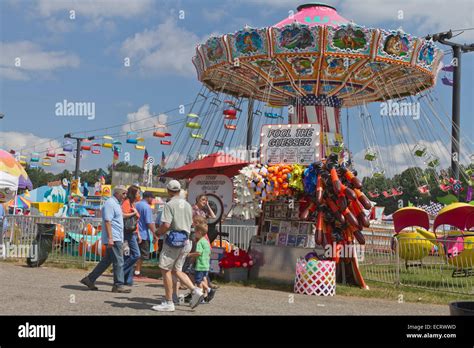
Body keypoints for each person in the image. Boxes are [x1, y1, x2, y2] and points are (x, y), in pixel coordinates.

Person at [152, 180, 204, 312]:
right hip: (186, 241)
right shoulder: (187, 205)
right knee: (177, 270)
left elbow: (166, 225)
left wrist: (157, 233)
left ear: (168, 191)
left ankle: (169, 302)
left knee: (165, 269)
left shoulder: (169, 205)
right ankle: (195, 290)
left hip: (173, 241)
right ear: (179, 190)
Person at [80, 185, 130, 293]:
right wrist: (111, 238)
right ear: (117, 193)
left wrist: (132, 214)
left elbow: (118, 217)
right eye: (124, 193)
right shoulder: (110, 203)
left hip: (116, 237)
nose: (125, 196)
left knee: (107, 261)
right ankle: (118, 285)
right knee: (119, 261)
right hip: (113, 237)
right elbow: (108, 221)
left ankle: (90, 279)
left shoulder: (115, 204)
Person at [187, 223, 216, 303]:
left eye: (195, 232)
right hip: (206, 265)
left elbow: (198, 253)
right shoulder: (206, 241)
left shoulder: (199, 242)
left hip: (200, 265)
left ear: (199, 232)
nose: (194, 234)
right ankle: (209, 290)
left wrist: (189, 254)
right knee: (201, 280)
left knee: (198, 281)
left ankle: (201, 297)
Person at [121, 185, 141, 286]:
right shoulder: (127, 203)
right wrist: (134, 214)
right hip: (127, 232)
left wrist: (138, 233)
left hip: (131, 232)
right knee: (136, 254)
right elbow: (123, 214)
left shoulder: (132, 203)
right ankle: (120, 273)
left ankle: (127, 280)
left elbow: (135, 221)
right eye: (138, 193)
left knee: (128, 255)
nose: (139, 195)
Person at [134, 191, 157, 278]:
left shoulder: (136, 204)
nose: (153, 200)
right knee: (142, 255)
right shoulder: (147, 207)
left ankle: (132, 270)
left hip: (134, 233)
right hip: (143, 234)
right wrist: (155, 233)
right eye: (152, 198)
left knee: (134, 253)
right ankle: (137, 271)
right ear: (148, 197)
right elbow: (149, 222)